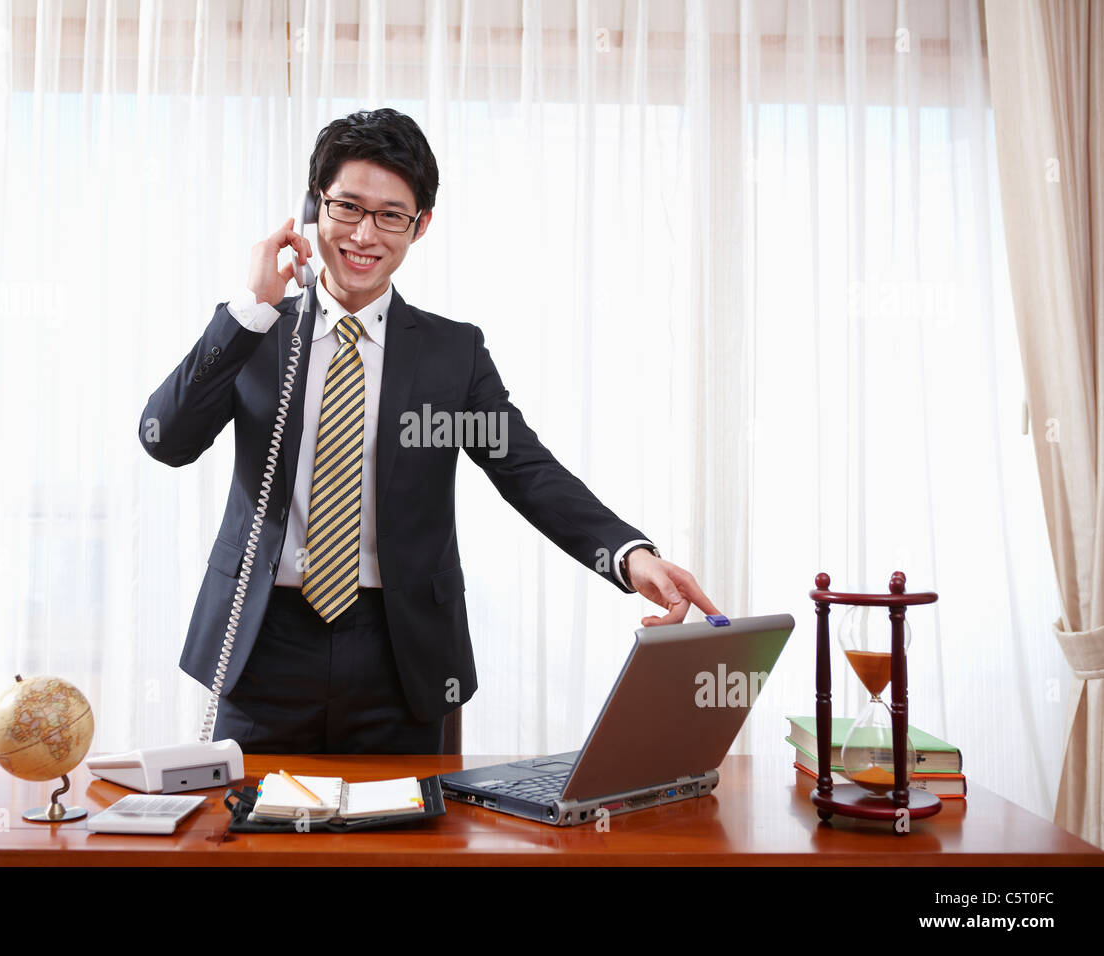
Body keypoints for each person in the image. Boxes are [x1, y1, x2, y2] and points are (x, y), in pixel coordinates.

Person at [138, 107, 719, 754]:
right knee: (253, 845)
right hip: (261, 650)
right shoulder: (258, 331)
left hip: (404, 657)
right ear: (313, 209)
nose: (365, 234)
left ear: (422, 226)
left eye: (391, 215)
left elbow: (527, 470)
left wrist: (629, 555)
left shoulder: (453, 354)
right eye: (347, 208)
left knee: (415, 850)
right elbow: (166, 440)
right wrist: (251, 310)